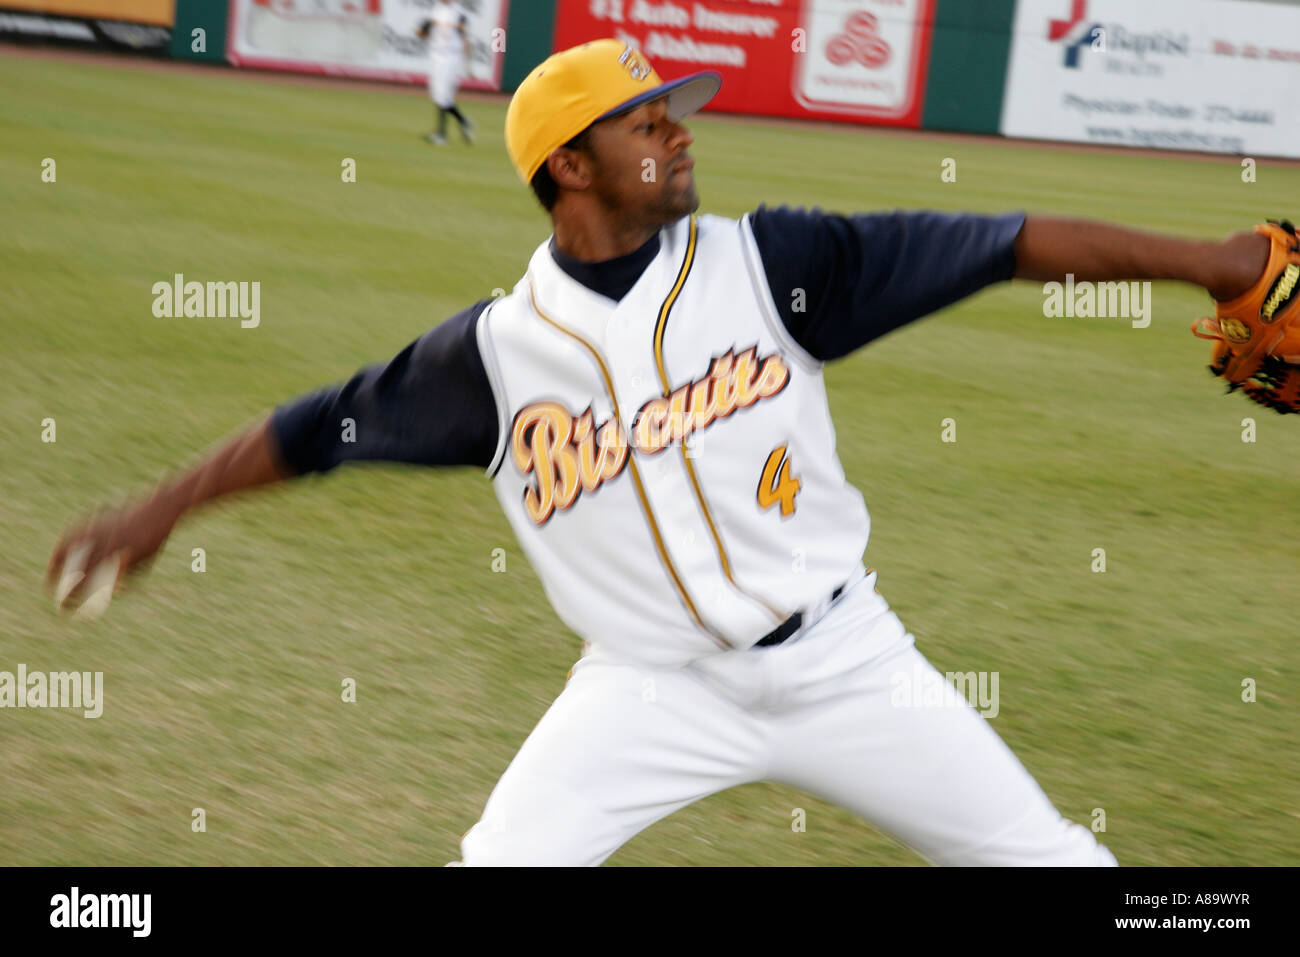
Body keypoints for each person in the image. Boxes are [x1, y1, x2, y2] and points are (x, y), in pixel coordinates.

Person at [48, 39, 1272, 866]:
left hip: (850, 663)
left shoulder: (775, 263)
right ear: (569, 169)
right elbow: (315, 428)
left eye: (674, 116)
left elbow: (1006, 241)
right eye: (645, 124)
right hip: (647, 690)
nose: (678, 136)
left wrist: (1211, 261)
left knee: (1055, 864)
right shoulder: (496, 355)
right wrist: (161, 507)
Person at [417, 0, 474, 145]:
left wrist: (468, 66)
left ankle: (441, 135)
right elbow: (424, 33)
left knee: (443, 96)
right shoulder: (437, 10)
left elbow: (465, 39)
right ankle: (463, 121)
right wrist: (422, 31)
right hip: (436, 55)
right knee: (438, 95)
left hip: (451, 57)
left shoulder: (459, 14)